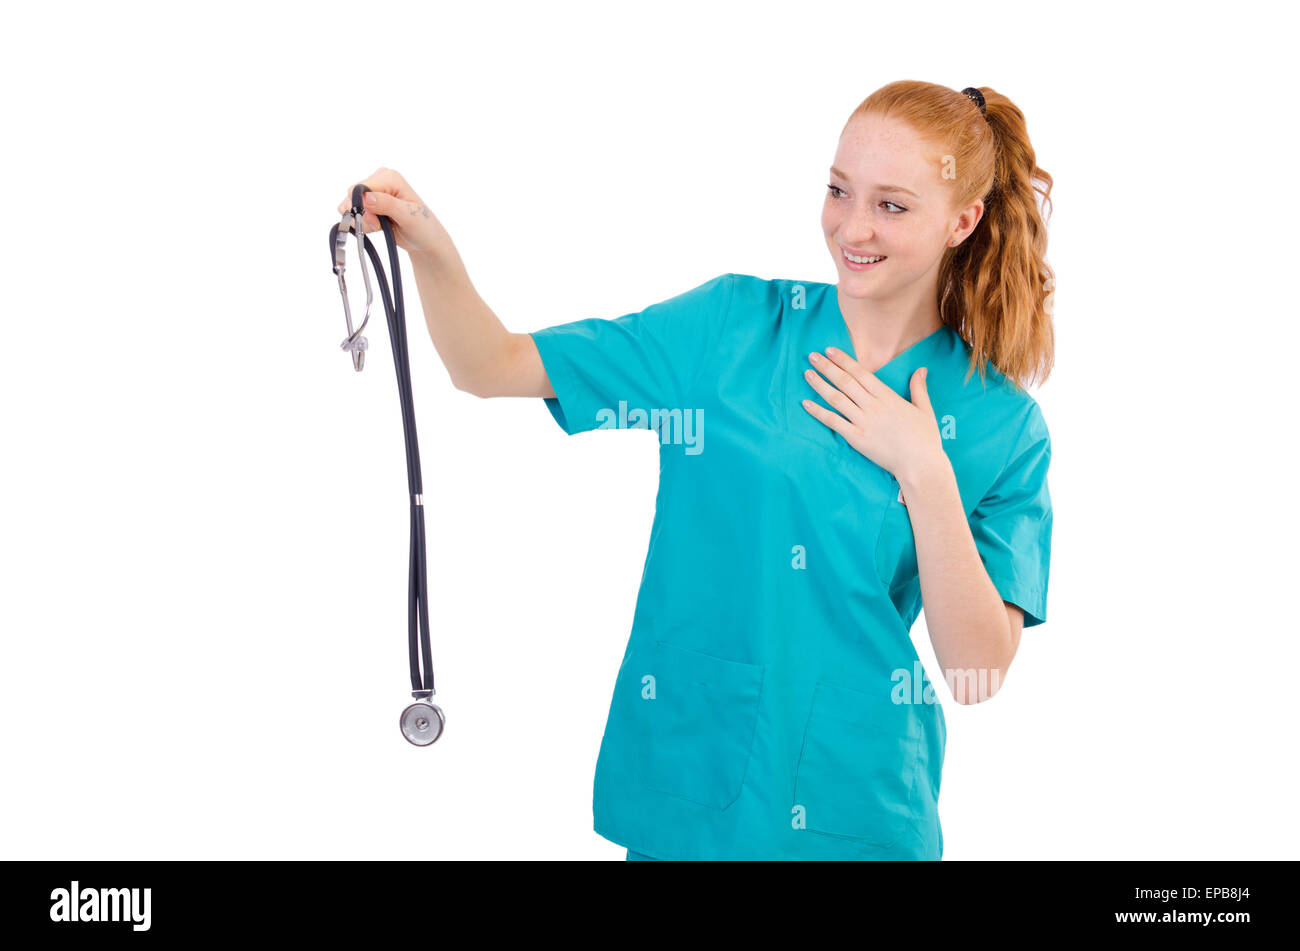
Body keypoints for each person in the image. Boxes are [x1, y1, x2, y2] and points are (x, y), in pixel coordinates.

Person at [337, 80, 1055, 861]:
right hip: (698, 784)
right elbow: (493, 364)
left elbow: (978, 667)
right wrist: (429, 245)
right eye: (838, 190)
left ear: (964, 219)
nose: (852, 226)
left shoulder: (1001, 423)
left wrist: (925, 469)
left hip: (862, 801)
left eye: (892, 205)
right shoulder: (732, 328)